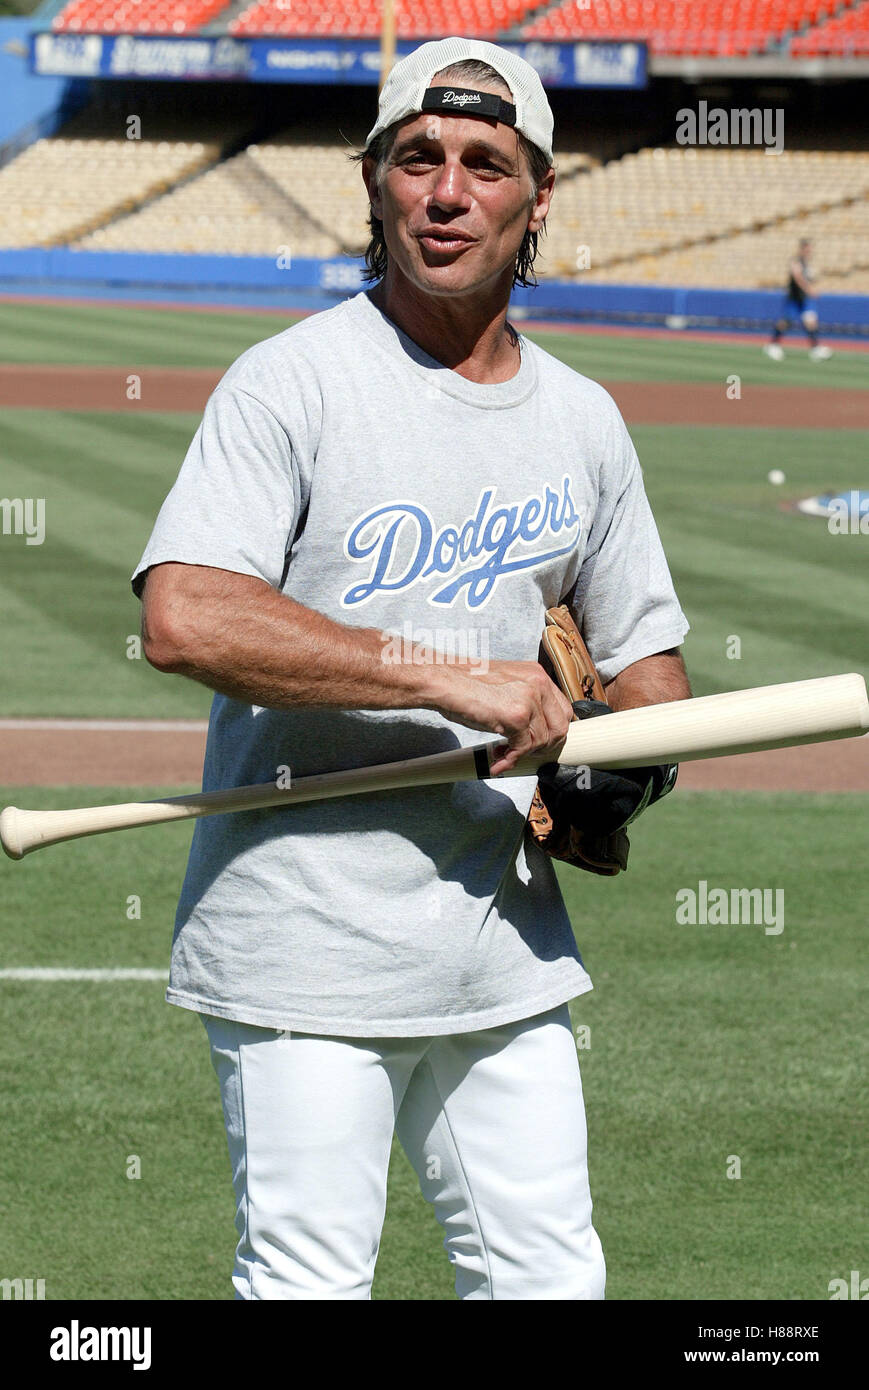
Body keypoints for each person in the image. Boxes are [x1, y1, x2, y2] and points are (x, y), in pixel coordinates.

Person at [134, 36, 691, 1301]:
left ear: (536, 198)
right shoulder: (290, 384)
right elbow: (184, 616)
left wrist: (622, 769)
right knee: (308, 1283)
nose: (447, 193)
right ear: (374, 184)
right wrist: (448, 676)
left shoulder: (582, 421)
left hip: (501, 943)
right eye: (417, 160)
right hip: (301, 942)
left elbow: (650, 672)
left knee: (549, 1282)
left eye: (484, 165)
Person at [764, 237, 832, 361]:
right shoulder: (796, 261)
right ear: (802, 249)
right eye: (808, 249)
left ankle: (815, 348)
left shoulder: (807, 264)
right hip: (794, 298)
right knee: (786, 322)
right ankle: (773, 345)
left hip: (804, 299)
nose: (810, 251)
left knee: (811, 321)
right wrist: (809, 290)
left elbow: (808, 278)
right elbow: (798, 278)